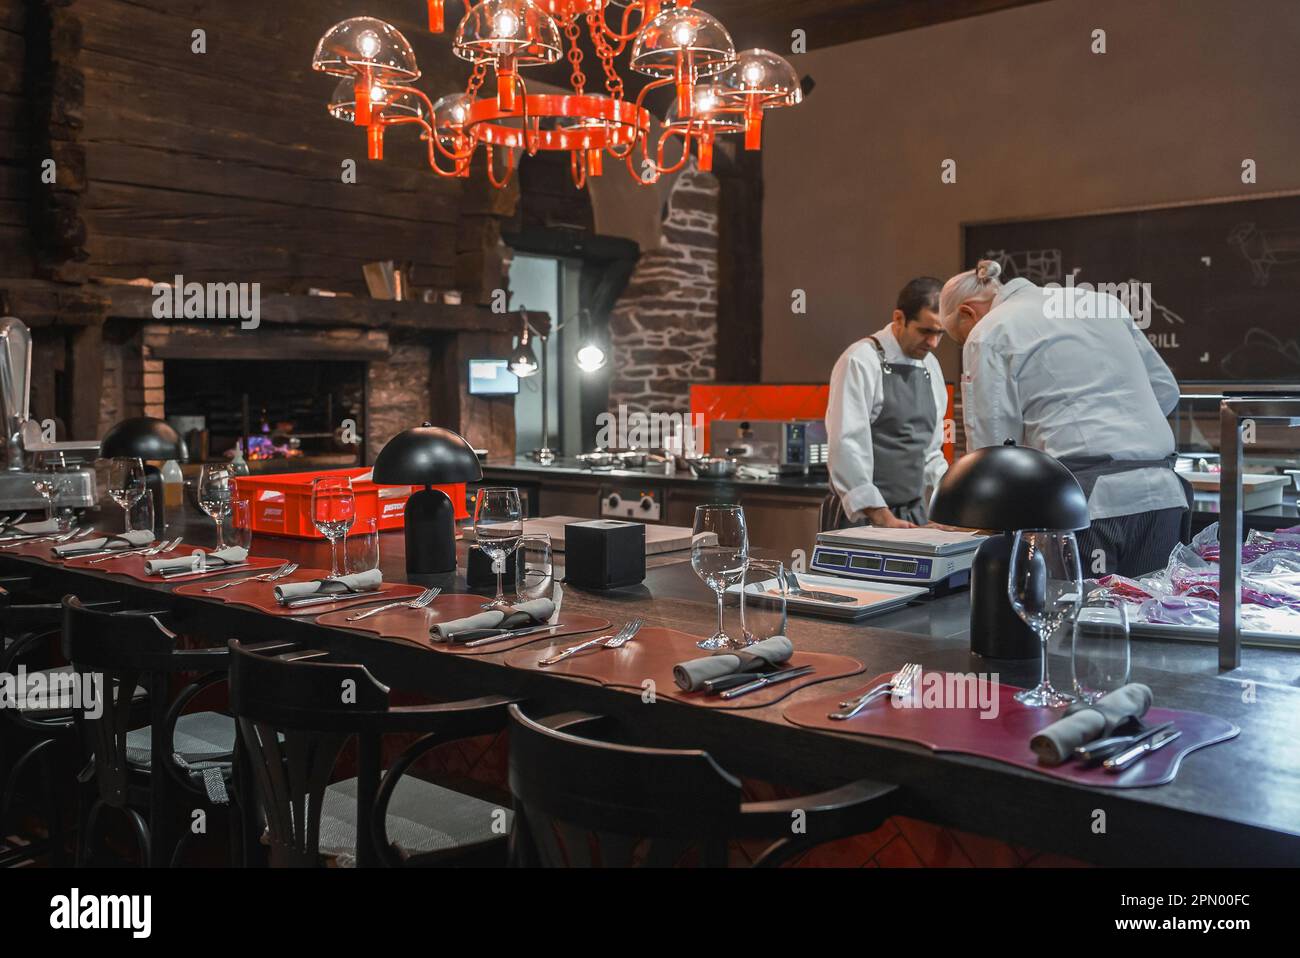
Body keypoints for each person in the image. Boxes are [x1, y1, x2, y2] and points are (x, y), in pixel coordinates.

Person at [938, 259, 1186, 576]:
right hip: (1164, 493)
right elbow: (1166, 390)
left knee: (1079, 618)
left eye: (960, 337)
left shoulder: (990, 330)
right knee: (1153, 615)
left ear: (967, 313)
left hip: (1085, 504)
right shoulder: (1100, 303)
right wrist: (1125, 438)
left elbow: (994, 449)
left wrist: (984, 515)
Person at [825, 277, 950, 529]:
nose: (933, 343)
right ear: (899, 318)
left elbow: (931, 453)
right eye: (925, 331)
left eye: (940, 333)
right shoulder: (860, 361)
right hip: (863, 518)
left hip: (913, 515)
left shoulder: (930, 366)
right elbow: (846, 446)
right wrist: (881, 516)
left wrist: (950, 499)